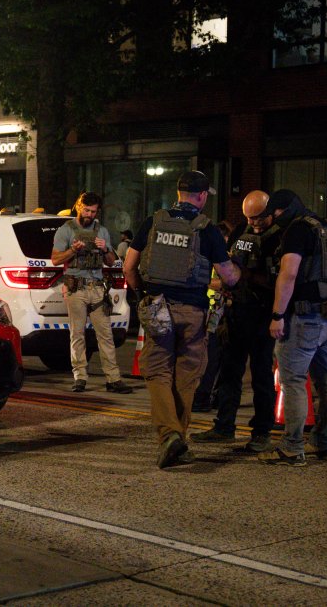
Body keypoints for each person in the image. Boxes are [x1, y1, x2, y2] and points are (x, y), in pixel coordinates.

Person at [123, 171, 240, 469]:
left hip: (157, 307)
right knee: (186, 376)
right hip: (193, 311)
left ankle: (171, 438)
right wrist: (240, 270)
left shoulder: (153, 222)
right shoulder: (207, 229)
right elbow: (228, 276)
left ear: (178, 193)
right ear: (201, 196)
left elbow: (129, 267)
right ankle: (176, 438)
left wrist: (142, 294)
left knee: (157, 371)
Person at [259, 189, 327, 466]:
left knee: (293, 381)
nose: (274, 218)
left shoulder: (298, 230)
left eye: (276, 213)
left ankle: (292, 447)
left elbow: (289, 273)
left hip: (304, 317)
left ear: (286, 209)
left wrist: (277, 314)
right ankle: (323, 443)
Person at [191, 191, 281, 452]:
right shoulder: (241, 230)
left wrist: (247, 276)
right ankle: (224, 426)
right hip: (236, 311)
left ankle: (261, 432)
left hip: (263, 313)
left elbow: (280, 279)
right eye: (249, 218)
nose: (253, 223)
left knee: (262, 376)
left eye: (258, 218)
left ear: (271, 212)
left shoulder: (279, 237)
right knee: (229, 372)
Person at [51, 192, 130, 393]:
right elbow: (55, 259)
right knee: (77, 334)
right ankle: (80, 377)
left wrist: (105, 249)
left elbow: (111, 262)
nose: (89, 214)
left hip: (97, 288)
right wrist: (73, 250)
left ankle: (113, 379)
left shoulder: (101, 231)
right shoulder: (65, 230)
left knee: (106, 335)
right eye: (86, 210)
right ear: (78, 206)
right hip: (75, 288)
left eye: (93, 211)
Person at [193, 220, 237, 412]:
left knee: (213, 357)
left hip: (218, 313)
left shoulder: (224, 257)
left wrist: (204, 280)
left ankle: (204, 397)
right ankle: (214, 396)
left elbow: (227, 281)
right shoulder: (215, 256)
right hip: (214, 311)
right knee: (217, 357)